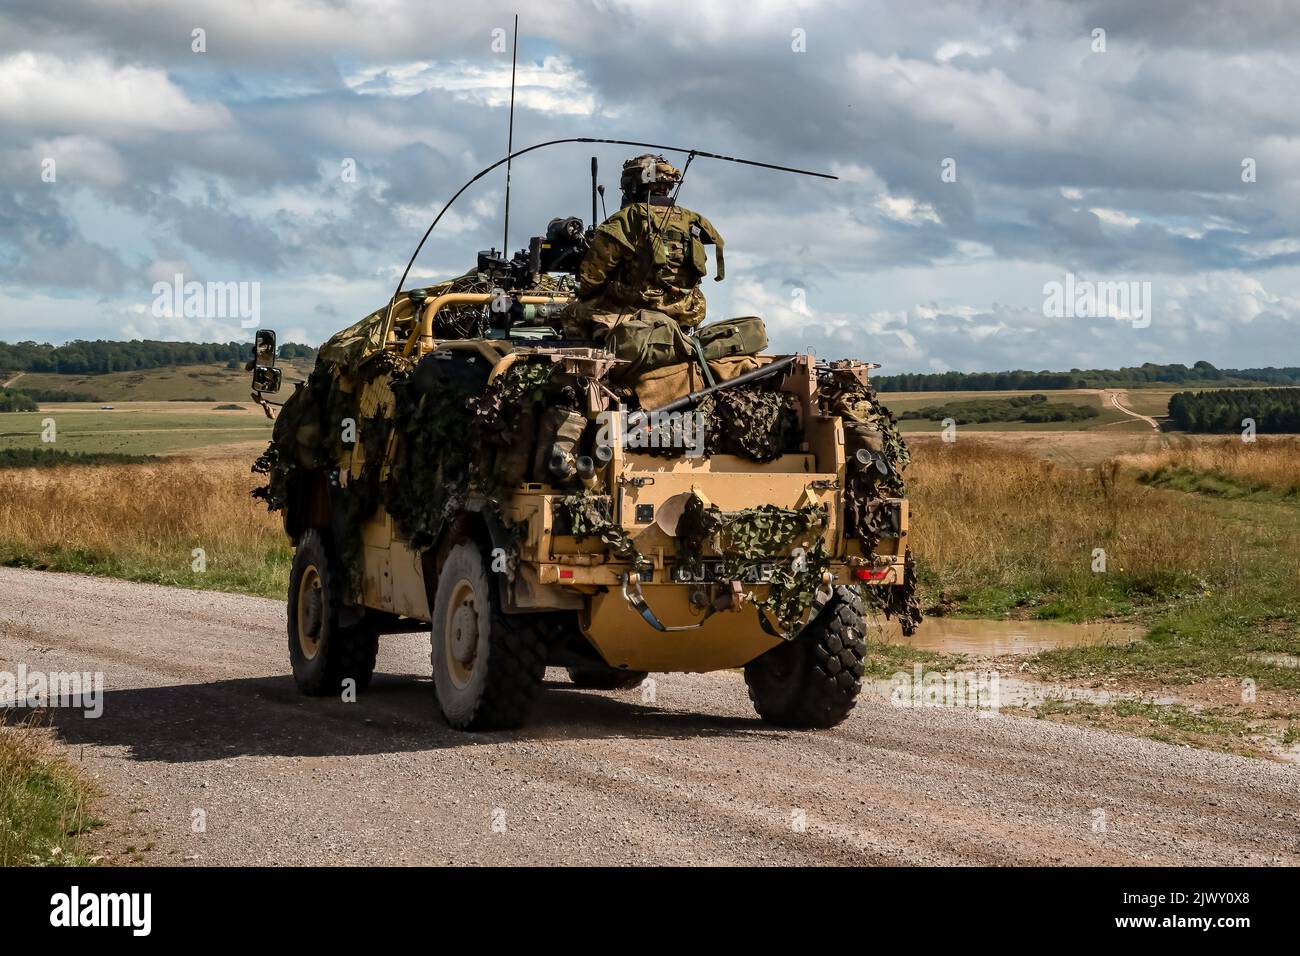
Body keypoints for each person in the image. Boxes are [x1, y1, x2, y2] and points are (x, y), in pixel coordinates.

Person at [562, 154, 724, 341]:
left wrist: (587, 291)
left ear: (632, 185)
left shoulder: (625, 219)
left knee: (571, 313)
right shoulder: (694, 219)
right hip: (688, 311)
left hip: (639, 308)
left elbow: (591, 279)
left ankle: (595, 365)